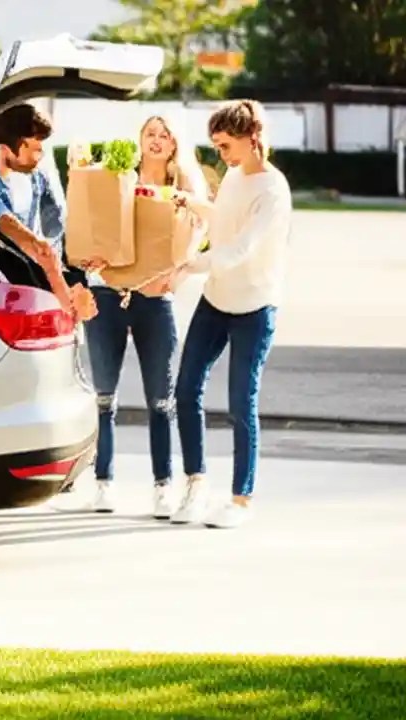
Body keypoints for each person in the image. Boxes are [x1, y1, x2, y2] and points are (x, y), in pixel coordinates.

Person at [169, 100, 293, 529]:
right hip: (216, 300)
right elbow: (223, 221)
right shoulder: (236, 176)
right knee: (185, 389)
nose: (221, 155)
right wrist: (189, 202)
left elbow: (241, 250)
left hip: (254, 308)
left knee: (242, 403)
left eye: (225, 146)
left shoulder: (274, 191)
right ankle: (196, 483)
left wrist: (188, 267)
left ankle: (241, 501)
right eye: (216, 147)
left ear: (251, 138)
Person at [80, 116, 210, 517]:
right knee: (104, 398)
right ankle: (103, 483)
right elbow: (96, 225)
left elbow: (202, 227)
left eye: (164, 135)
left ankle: (162, 487)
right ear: (140, 140)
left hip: (154, 302)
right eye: (149, 133)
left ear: (174, 144)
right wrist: (93, 254)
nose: (156, 140)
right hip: (106, 293)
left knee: (160, 400)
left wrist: (179, 272)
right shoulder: (118, 176)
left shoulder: (183, 188)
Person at [0, 103, 96, 321]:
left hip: (44, 278)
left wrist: (80, 265)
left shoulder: (36, 175)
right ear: (6, 150)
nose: (40, 156)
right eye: (35, 150)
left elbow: (58, 227)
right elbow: (11, 228)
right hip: (9, 286)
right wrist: (63, 292)